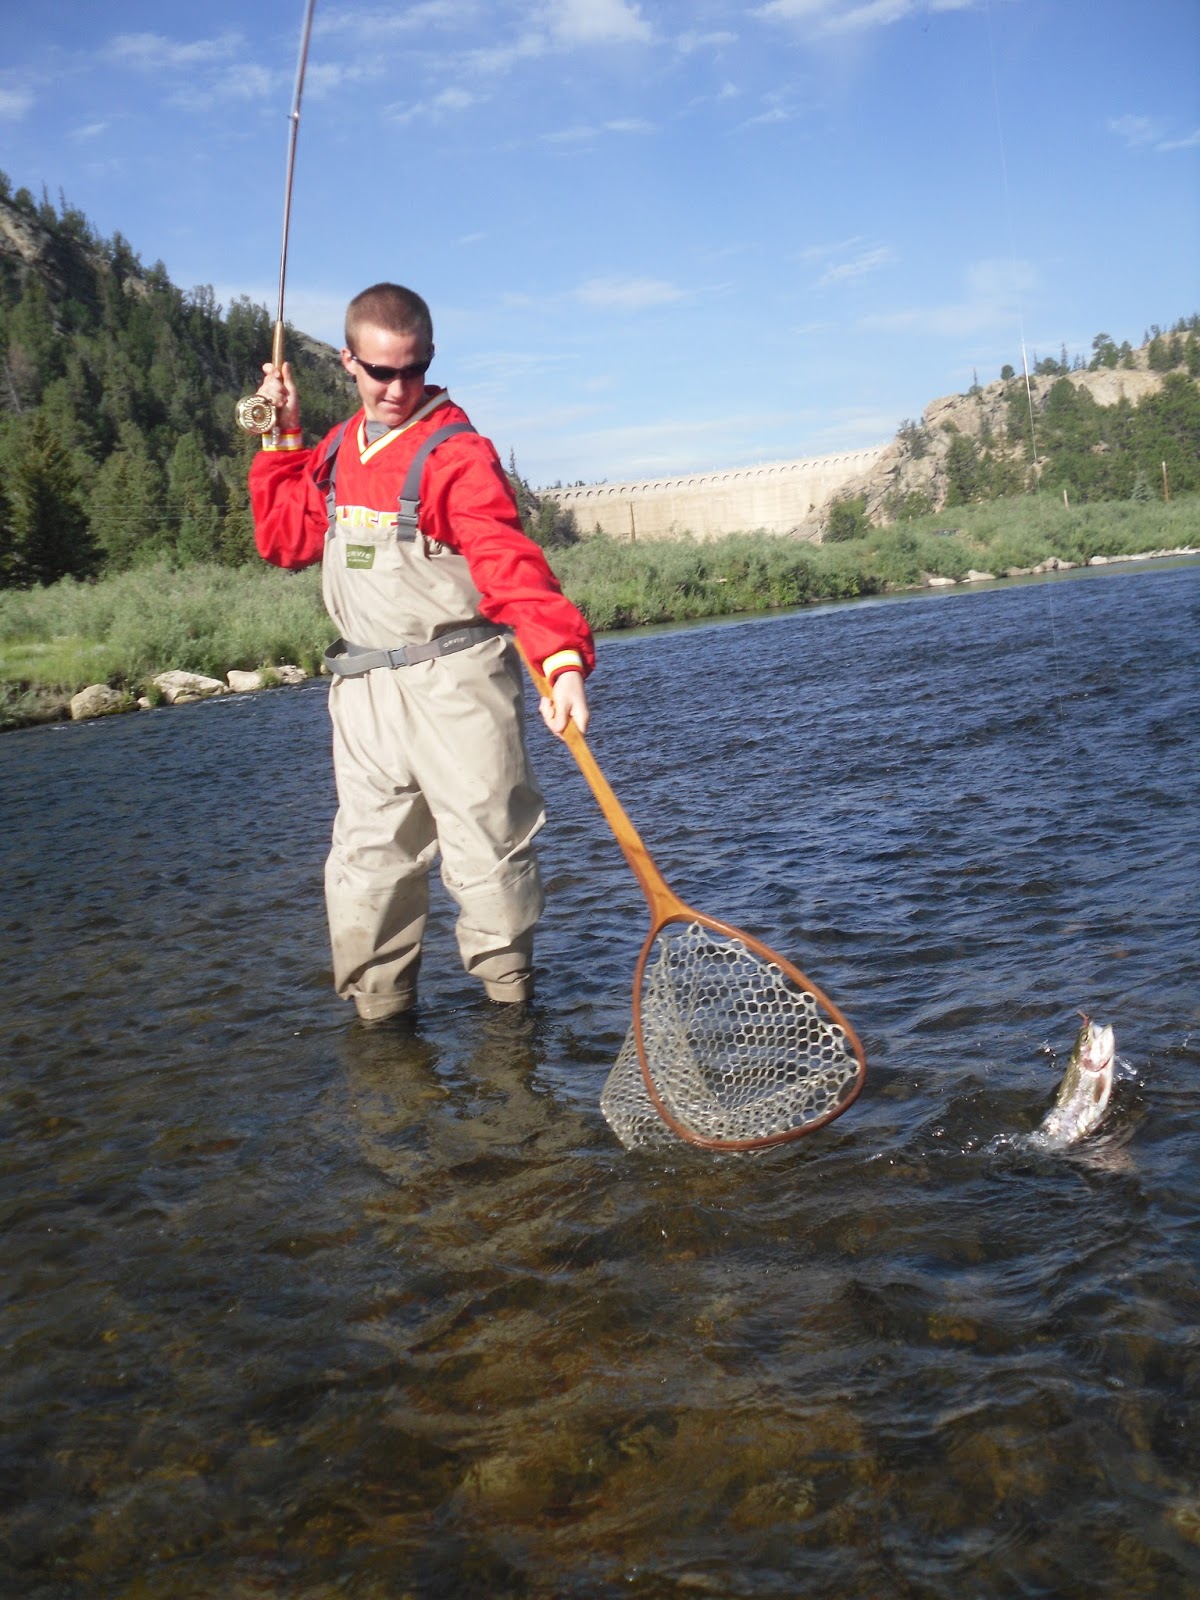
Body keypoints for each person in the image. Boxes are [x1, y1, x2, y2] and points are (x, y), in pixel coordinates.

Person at [248, 282, 593, 1022]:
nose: (397, 389)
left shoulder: (457, 455)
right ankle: (381, 1029)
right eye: (380, 372)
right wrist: (281, 440)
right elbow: (285, 542)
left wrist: (560, 662)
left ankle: (512, 1025)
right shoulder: (334, 450)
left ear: (430, 358)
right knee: (367, 871)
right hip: (362, 694)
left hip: (458, 685)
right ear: (348, 361)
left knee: (490, 858)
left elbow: (509, 563)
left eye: (413, 370)